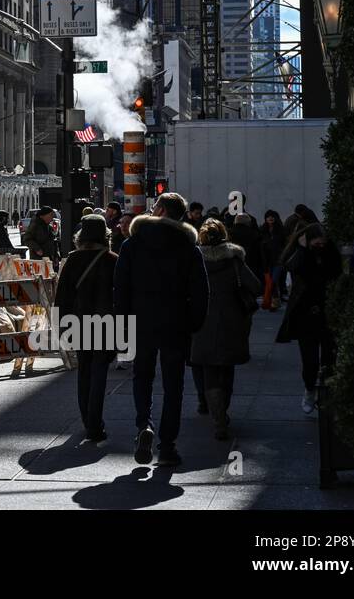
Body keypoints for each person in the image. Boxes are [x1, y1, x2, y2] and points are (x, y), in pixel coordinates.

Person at [113, 192, 209, 467]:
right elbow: (201, 291)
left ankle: (144, 424)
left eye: (155, 206)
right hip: (175, 323)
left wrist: (123, 321)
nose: (152, 210)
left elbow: (120, 287)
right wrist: (194, 322)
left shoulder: (133, 244)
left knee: (142, 377)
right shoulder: (188, 248)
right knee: (173, 385)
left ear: (163, 211)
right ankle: (167, 446)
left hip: (141, 322)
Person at [191, 219, 263, 440]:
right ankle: (223, 410)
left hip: (202, 320)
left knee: (209, 370)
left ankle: (217, 417)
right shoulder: (234, 260)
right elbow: (256, 286)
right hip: (232, 319)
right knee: (227, 368)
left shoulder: (195, 261)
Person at [54, 215, 119, 443]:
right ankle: (95, 423)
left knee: (84, 371)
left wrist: (61, 327)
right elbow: (121, 298)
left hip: (78, 323)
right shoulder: (112, 260)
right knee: (100, 371)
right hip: (107, 324)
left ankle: (87, 420)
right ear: (105, 235)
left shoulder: (72, 260)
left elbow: (62, 297)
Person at [276, 222, 341, 415]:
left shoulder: (330, 254)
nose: (320, 247)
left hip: (327, 310)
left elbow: (334, 273)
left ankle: (326, 393)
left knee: (329, 356)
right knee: (310, 360)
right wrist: (303, 249)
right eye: (317, 244)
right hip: (305, 313)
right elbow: (293, 268)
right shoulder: (300, 253)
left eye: (323, 243)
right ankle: (310, 389)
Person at [259, 209, 287, 306]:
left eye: (272, 216)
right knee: (270, 281)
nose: (270, 218)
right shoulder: (262, 230)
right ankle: (273, 300)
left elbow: (285, 244)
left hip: (278, 259)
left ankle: (274, 300)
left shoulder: (281, 230)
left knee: (274, 280)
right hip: (266, 260)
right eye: (268, 216)